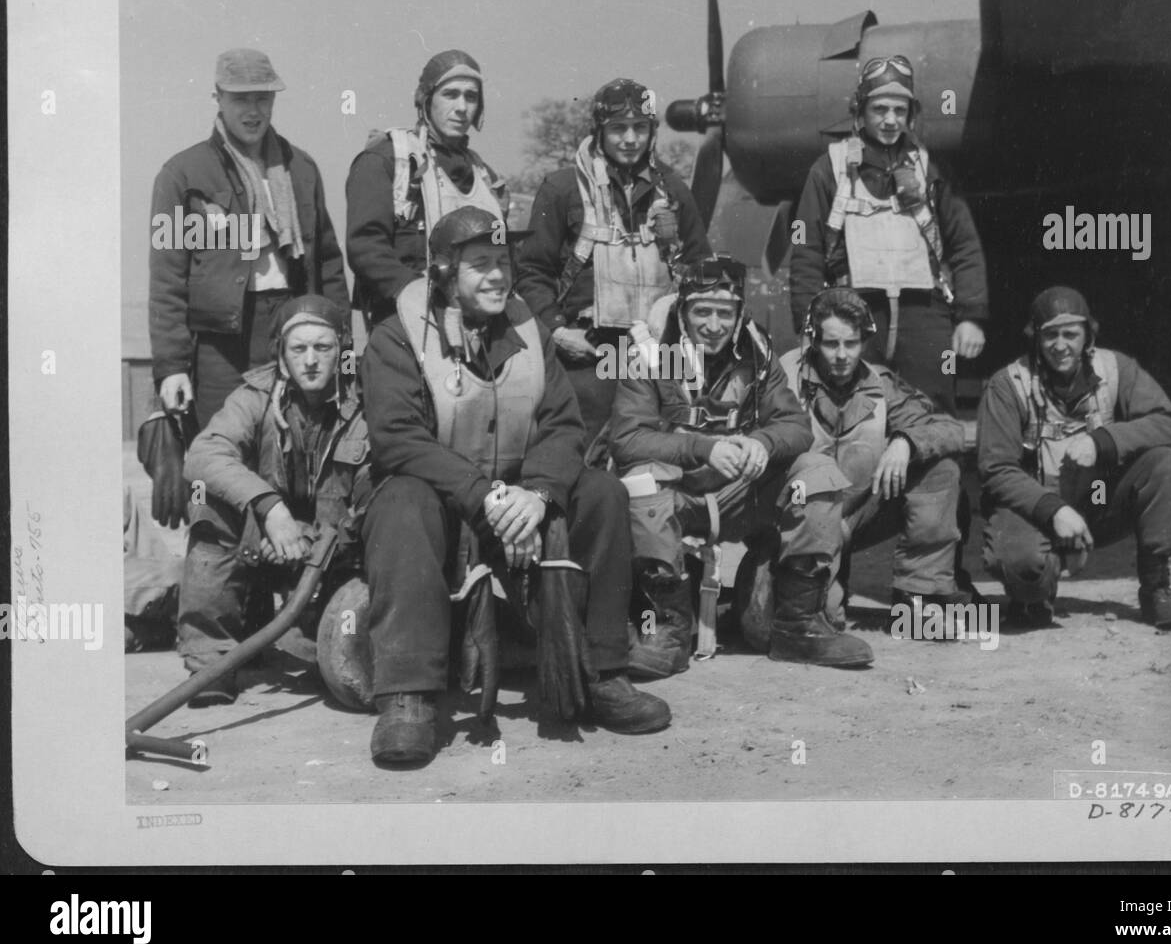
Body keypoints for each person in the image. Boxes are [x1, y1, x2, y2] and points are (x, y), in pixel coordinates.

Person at [359, 205, 671, 765]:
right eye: (480, 264)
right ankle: (407, 694)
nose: (498, 275)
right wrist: (485, 496)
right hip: (442, 497)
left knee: (602, 492)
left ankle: (602, 671)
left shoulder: (530, 329)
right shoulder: (395, 337)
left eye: (502, 261)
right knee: (402, 502)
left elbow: (562, 425)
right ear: (445, 275)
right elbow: (398, 440)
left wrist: (538, 493)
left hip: (521, 495)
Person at [607, 256, 874, 675]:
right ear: (682, 309)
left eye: (724, 313)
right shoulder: (648, 351)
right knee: (639, 483)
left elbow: (795, 425)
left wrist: (762, 443)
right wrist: (703, 447)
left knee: (816, 473)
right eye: (702, 311)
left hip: (738, 492)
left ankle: (798, 626)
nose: (714, 325)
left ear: (738, 314)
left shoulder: (756, 348)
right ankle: (668, 631)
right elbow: (626, 439)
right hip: (675, 495)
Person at [179, 295, 369, 706]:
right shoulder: (255, 396)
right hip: (264, 542)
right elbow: (203, 454)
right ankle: (212, 660)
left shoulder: (367, 402)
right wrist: (271, 509)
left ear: (342, 352)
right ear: (283, 357)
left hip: (337, 551)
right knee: (209, 504)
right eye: (298, 349)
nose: (311, 360)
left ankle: (304, 636)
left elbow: (378, 489)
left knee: (336, 659)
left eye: (323, 347)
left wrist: (313, 535)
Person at [150, 49, 349, 429]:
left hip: (293, 323)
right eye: (240, 98)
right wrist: (171, 367)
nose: (252, 109)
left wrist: (344, 348)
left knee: (295, 442)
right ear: (217, 99)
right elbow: (167, 279)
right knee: (221, 447)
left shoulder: (301, 168)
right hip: (219, 341)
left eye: (263, 97)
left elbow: (328, 264)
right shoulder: (182, 174)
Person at [977, 286, 1171, 630]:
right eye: (1050, 335)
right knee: (1024, 568)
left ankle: (1162, 588)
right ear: (1035, 337)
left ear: (1087, 335)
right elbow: (996, 469)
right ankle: (1035, 594)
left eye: (1070, 333)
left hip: (1098, 499)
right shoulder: (1007, 385)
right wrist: (1055, 510)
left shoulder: (1116, 367)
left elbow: (1169, 424)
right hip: (1035, 509)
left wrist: (1103, 440)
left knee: (1168, 463)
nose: (1060, 345)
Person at [515, 79, 711, 446]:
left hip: (658, 350)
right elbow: (531, 271)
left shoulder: (672, 188)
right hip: (588, 349)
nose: (630, 139)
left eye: (641, 128)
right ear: (599, 131)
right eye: (618, 128)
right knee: (581, 451)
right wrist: (557, 330)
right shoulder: (561, 189)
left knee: (669, 452)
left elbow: (700, 266)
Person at [787, 54, 987, 413]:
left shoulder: (932, 169)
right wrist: (807, 324)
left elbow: (964, 243)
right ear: (860, 112)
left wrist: (971, 317)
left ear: (911, 114)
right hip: (854, 316)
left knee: (934, 412)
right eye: (880, 109)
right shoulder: (829, 169)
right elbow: (806, 248)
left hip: (925, 317)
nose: (891, 120)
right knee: (850, 414)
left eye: (900, 109)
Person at [781, 288, 967, 631]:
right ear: (812, 341)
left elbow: (950, 429)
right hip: (797, 521)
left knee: (939, 471)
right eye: (830, 344)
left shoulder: (878, 382)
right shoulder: (784, 380)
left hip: (855, 514)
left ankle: (919, 599)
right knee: (814, 619)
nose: (841, 355)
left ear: (863, 342)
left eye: (851, 344)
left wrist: (905, 441)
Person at [346, 49, 510, 328]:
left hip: (479, 325)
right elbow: (365, 248)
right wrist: (416, 293)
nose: (462, 107)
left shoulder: (486, 178)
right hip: (404, 322)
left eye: (471, 97)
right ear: (426, 100)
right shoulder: (387, 161)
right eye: (450, 94)